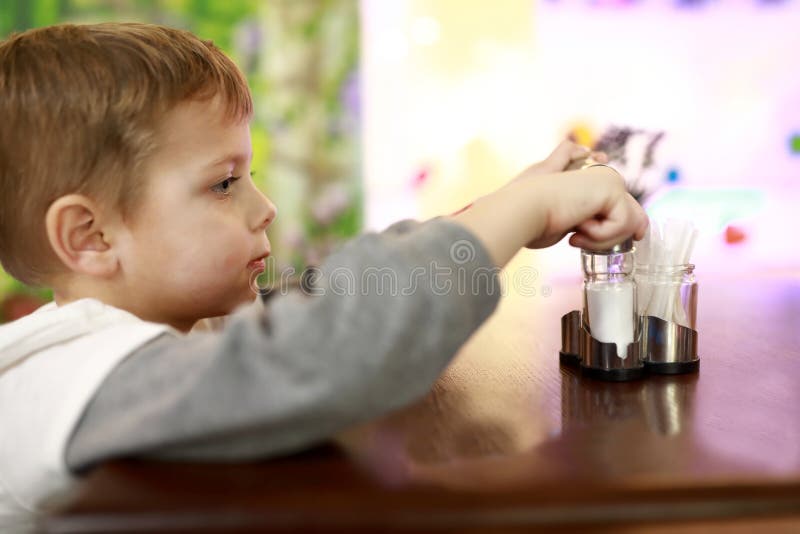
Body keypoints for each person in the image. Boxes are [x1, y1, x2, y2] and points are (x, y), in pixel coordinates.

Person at [0, 22, 647, 528]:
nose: (265, 207)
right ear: (90, 236)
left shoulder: (168, 338)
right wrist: (523, 209)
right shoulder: (69, 380)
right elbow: (337, 348)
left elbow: (341, 295)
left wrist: (504, 208)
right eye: (223, 184)